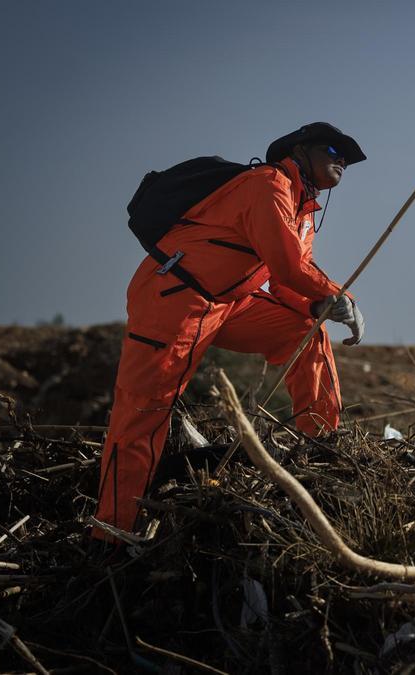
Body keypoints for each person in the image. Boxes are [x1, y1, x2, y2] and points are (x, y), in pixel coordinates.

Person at [93, 122, 366, 537]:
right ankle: (110, 535)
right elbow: (289, 266)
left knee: (304, 331)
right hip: (174, 299)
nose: (342, 159)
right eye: (333, 148)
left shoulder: (304, 210)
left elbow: (286, 280)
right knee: (143, 415)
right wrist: (339, 296)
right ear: (300, 150)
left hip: (227, 303)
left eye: (347, 156)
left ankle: (322, 451)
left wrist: (318, 304)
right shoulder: (267, 184)